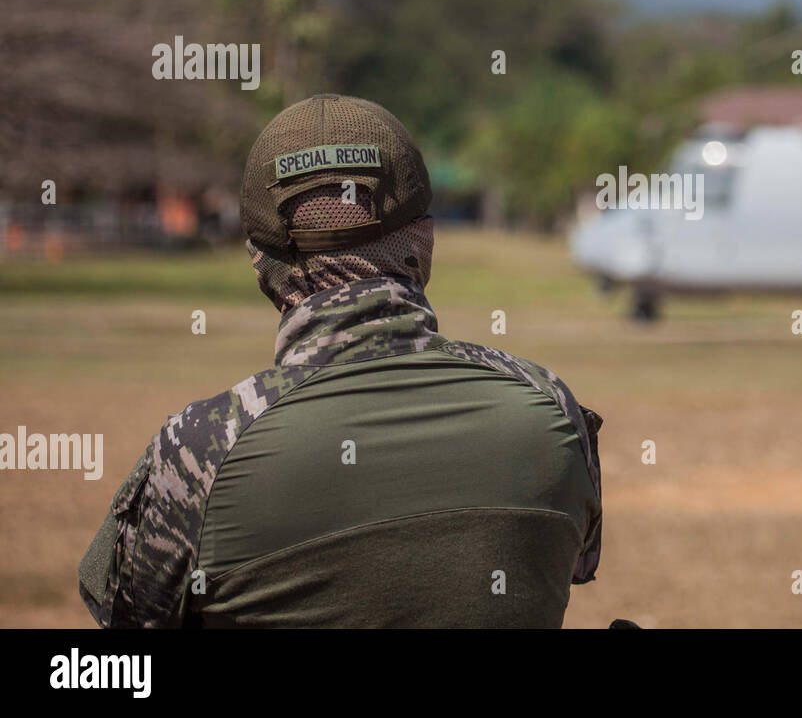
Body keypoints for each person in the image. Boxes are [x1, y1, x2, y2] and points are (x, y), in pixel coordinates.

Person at [78, 93, 602, 627]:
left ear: (260, 264)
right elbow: (571, 565)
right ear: (424, 241)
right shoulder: (549, 406)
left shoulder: (201, 449)